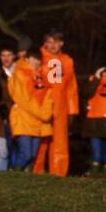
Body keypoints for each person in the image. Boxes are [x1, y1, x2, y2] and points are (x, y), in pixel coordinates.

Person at [35, 30, 77, 176]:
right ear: (45, 43)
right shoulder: (37, 58)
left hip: (61, 106)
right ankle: (35, 169)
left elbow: (71, 87)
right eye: (49, 42)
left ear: (61, 44)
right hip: (40, 104)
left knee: (59, 140)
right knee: (40, 138)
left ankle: (58, 172)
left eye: (56, 42)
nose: (52, 45)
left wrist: (72, 109)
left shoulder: (67, 61)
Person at [8, 50, 51, 171]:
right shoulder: (18, 74)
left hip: (37, 123)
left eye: (38, 59)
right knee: (26, 154)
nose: (36, 62)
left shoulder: (42, 77)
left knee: (32, 155)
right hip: (23, 121)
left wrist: (46, 113)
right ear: (27, 59)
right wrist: (42, 113)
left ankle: (24, 179)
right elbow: (22, 98)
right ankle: (14, 172)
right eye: (33, 59)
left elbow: (49, 95)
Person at [0, 45, 17, 171]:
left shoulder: (21, 72)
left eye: (9, 55)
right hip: (1, 115)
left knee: (17, 147)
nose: (6, 58)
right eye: (3, 55)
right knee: (2, 150)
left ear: (14, 56)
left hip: (19, 114)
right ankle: (0, 177)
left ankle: (16, 173)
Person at [82, 66, 106, 176]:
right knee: (96, 149)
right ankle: (94, 170)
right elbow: (86, 93)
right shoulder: (93, 80)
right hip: (94, 121)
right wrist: (97, 77)